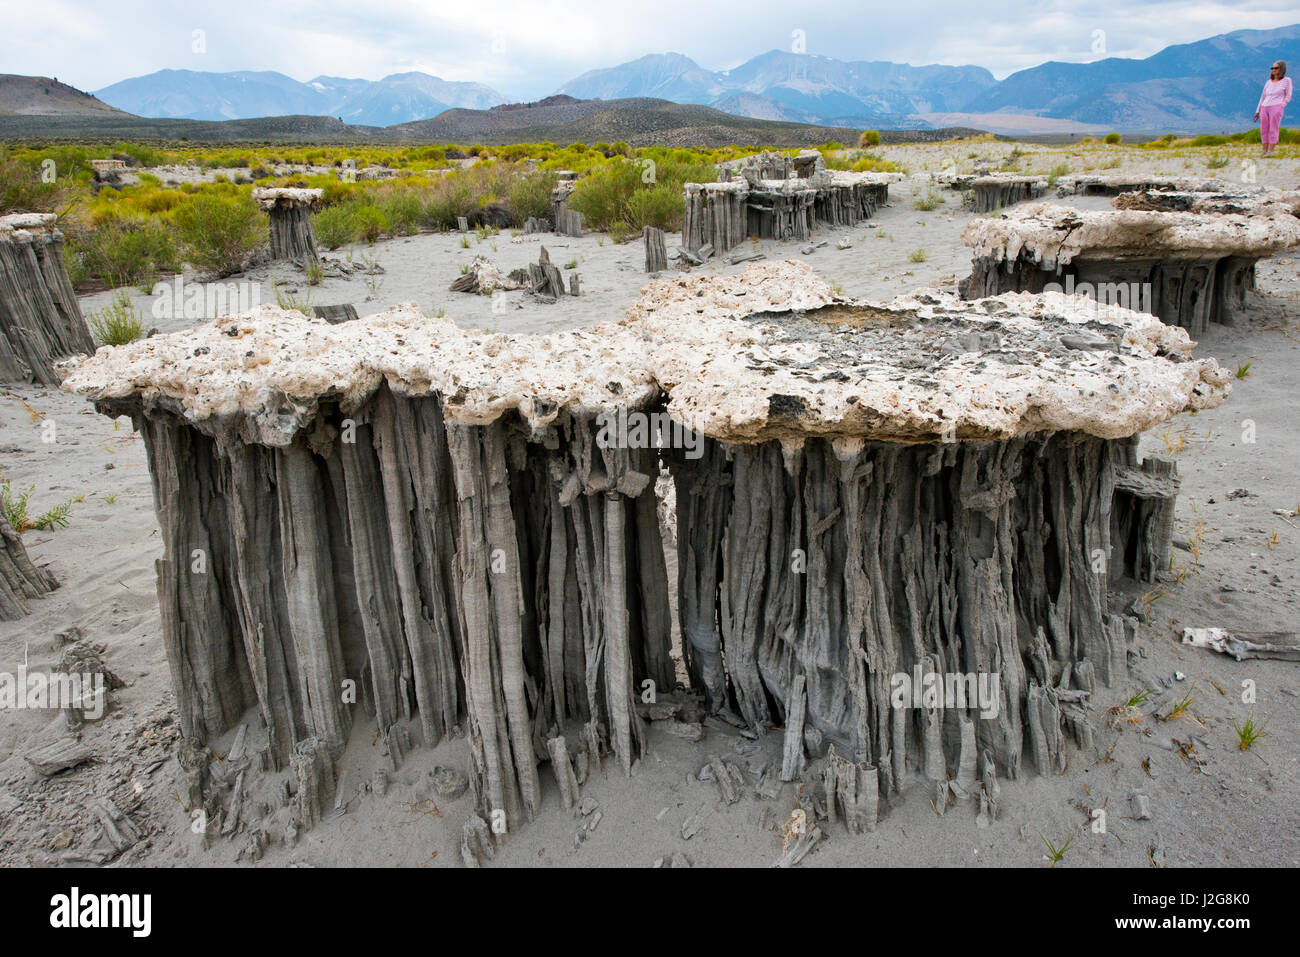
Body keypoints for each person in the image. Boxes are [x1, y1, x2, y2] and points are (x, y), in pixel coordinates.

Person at [1254, 60, 1292, 156]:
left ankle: (1271, 151)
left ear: (1281, 69)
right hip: (1264, 107)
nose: (1273, 70)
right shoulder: (1268, 82)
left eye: (1276, 68)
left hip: (1276, 106)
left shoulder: (1287, 81)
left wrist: (1281, 105)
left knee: (1273, 129)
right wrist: (1258, 111)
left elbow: (1288, 95)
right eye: (1272, 68)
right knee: (1263, 129)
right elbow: (1262, 97)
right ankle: (1264, 150)